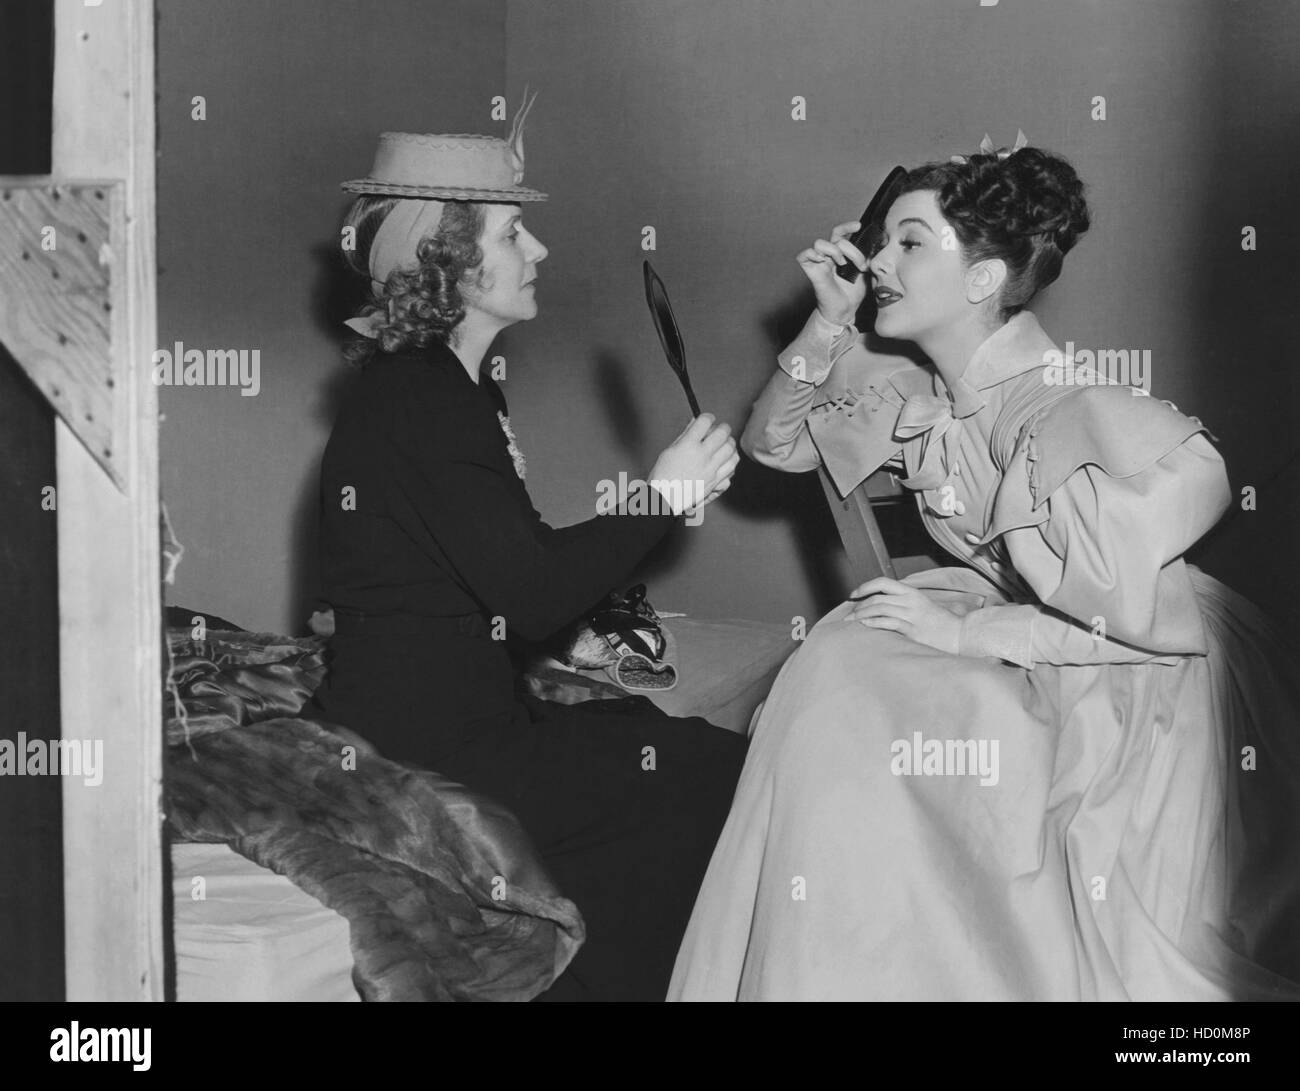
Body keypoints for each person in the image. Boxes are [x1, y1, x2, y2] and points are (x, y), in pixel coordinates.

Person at [669, 140, 1300, 1000]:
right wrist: (827, 320)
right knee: (837, 678)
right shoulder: (917, 387)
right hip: (1027, 623)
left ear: (981, 278)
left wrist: (965, 630)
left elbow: (1133, 619)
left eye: (909, 243)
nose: (877, 262)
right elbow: (770, 443)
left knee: (875, 703)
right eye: (881, 241)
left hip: (1142, 669)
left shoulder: (1073, 407)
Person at [302, 100, 748, 1002]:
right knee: (717, 777)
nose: (537, 250)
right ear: (450, 259)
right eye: (514, 232)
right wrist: (663, 496)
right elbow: (531, 592)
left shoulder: (450, 386)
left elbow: (498, 569)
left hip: (461, 715)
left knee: (665, 743)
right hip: (423, 747)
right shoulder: (423, 400)